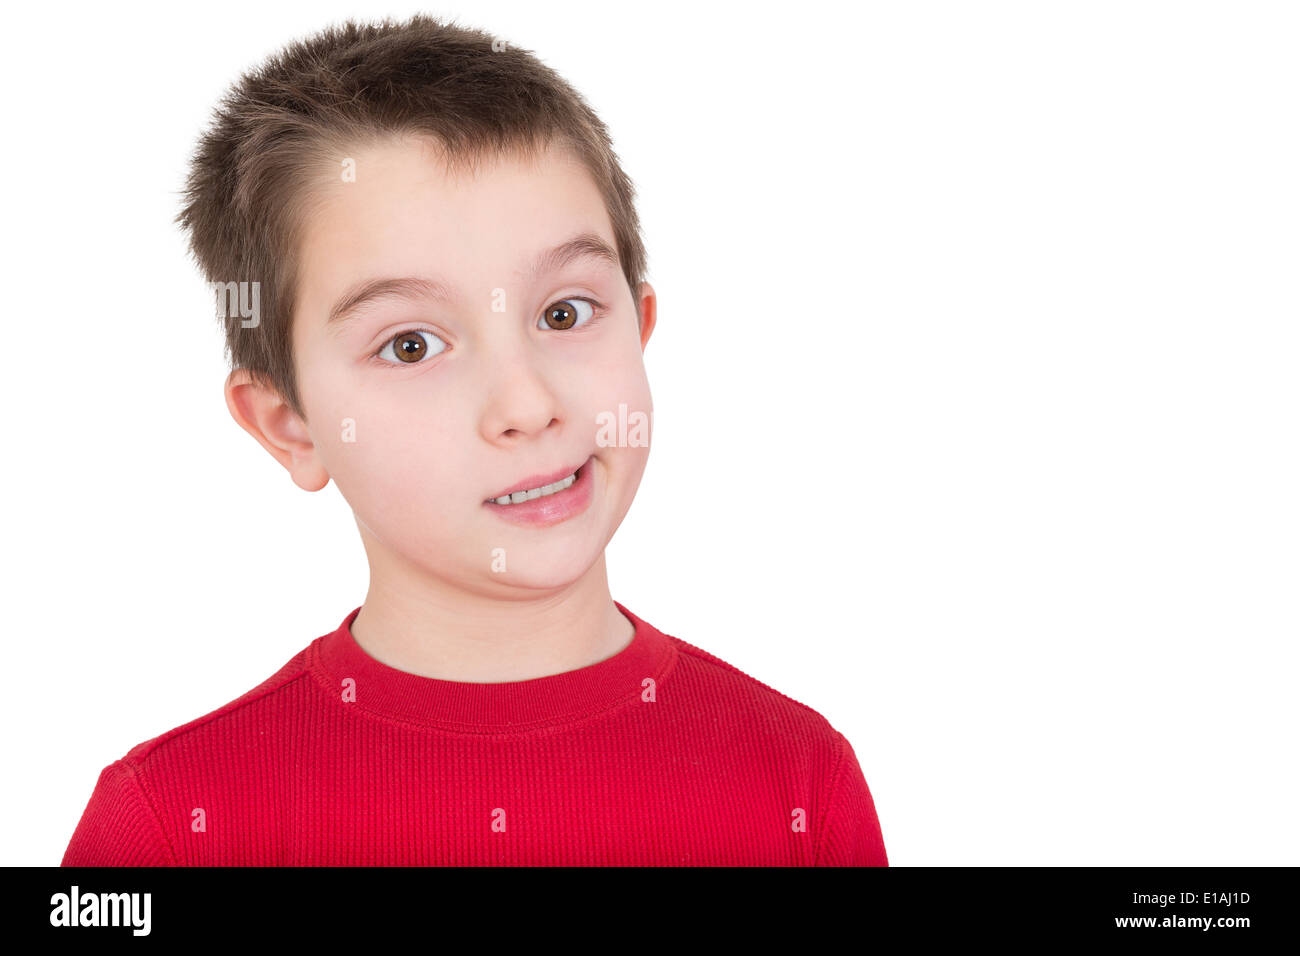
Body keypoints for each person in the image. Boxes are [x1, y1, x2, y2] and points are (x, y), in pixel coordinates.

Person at [61, 13, 887, 866]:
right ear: (290, 426)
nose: (526, 404)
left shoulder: (797, 781)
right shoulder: (172, 823)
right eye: (411, 345)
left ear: (640, 327)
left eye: (563, 313)